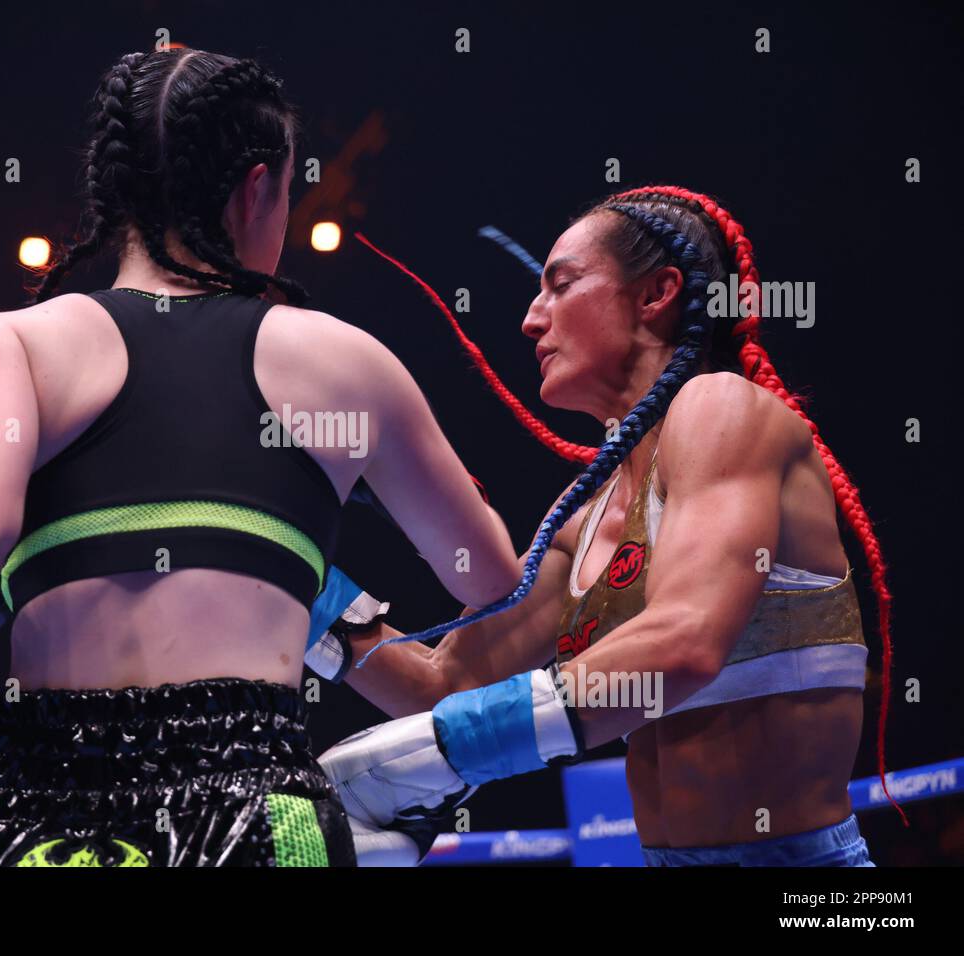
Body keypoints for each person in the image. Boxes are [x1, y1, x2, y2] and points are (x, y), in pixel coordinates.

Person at [0, 47, 521, 867]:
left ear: (120, 191)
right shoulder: (346, 363)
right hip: (247, 810)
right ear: (258, 187)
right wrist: (286, 554)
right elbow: (488, 583)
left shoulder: (14, 343)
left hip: (22, 814)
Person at [317, 187, 893, 867]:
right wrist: (296, 581)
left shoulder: (722, 409)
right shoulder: (585, 518)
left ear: (656, 294)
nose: (532, 320)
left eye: (561, 285)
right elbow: (443, 686)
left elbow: (686, 640)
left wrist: (460, 743)